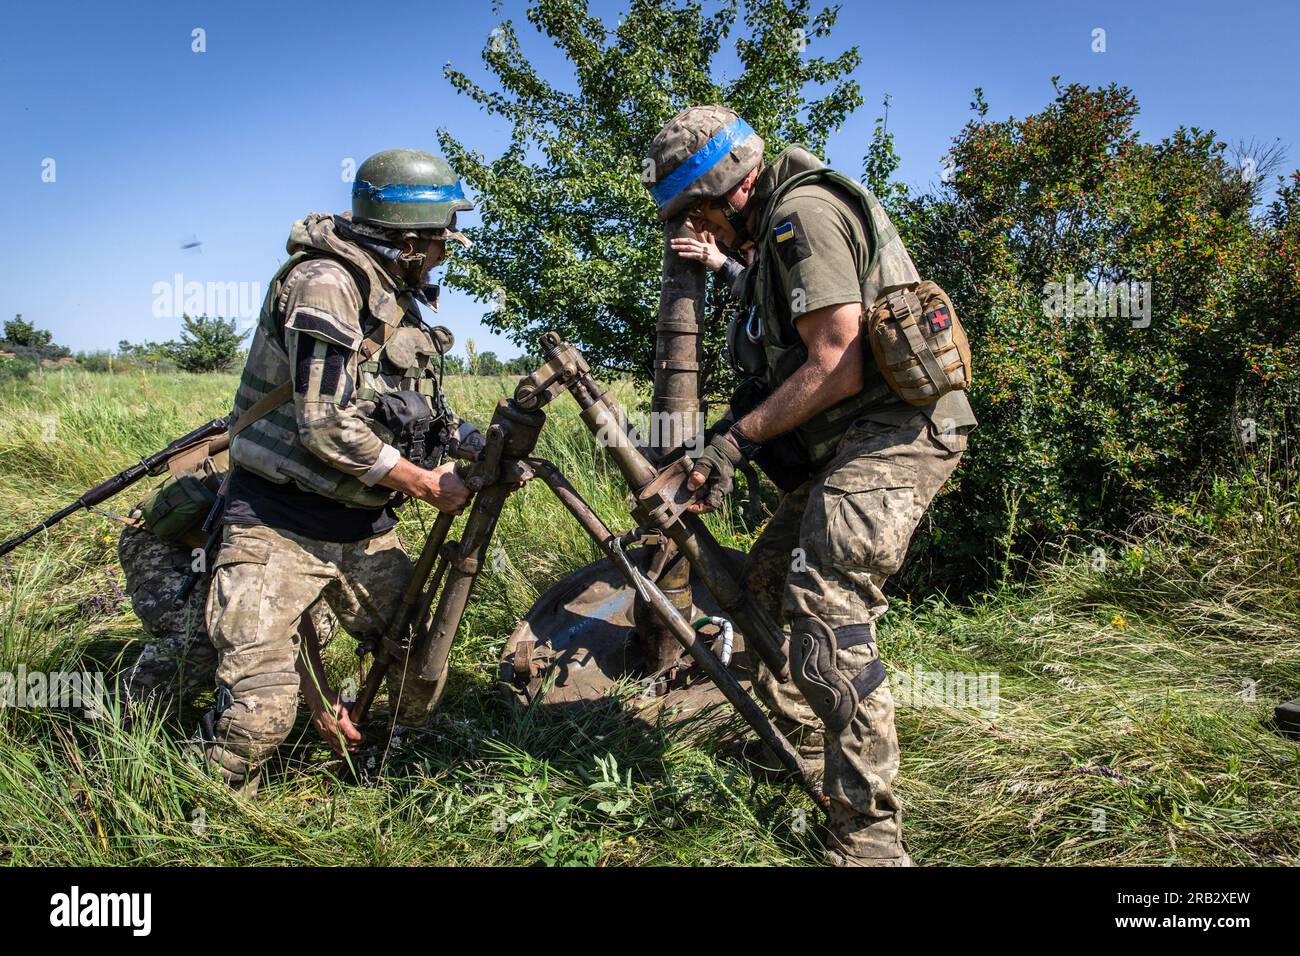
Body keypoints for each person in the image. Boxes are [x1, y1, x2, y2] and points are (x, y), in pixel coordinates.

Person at [643, 106, 977, 865]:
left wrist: (731, 444)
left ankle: (869, 840)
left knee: (828, 605)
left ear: (728, 192)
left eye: (697, 213)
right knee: (759, 584)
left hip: (897, 432)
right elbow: (785, 342)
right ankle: (799, 754)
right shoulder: (773, 236)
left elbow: (838, 361)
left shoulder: (802, 215)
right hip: (858, 437)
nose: (701, 228)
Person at [202, 149, 485, 794]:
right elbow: (325, 422)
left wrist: (472, 444)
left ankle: (380, 770)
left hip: (361, 525)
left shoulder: (393, 300)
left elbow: (413, 413)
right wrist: (420, 482)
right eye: (441, 238)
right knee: (260, 716)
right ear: (409, 239)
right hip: (277, 524)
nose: (447, 251)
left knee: (420, 661)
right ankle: (195, 819)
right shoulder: (326, 283)